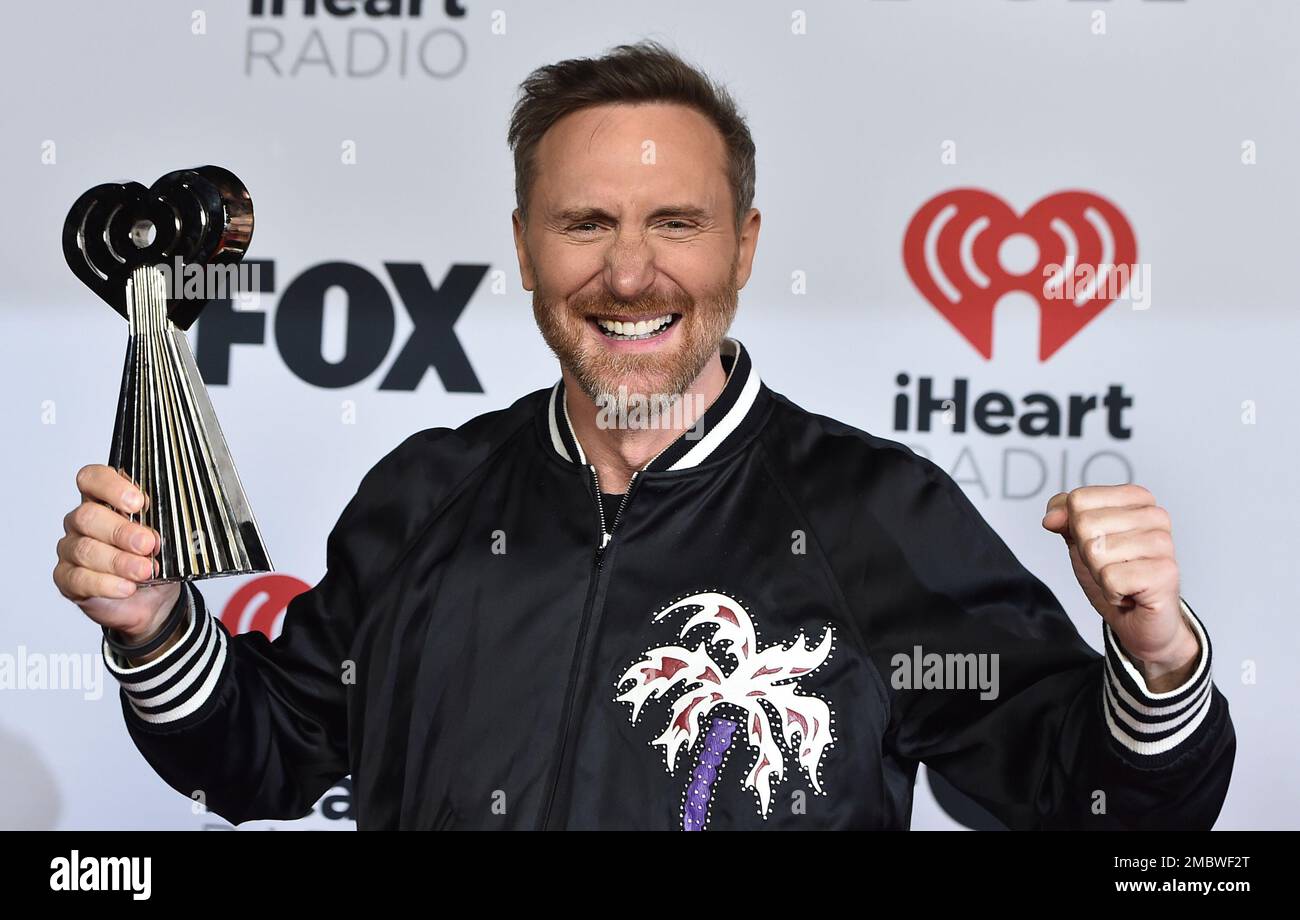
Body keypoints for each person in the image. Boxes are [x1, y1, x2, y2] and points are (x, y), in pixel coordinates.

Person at [53, 40, 1234, 831]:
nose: (629, 270)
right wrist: (156, 625)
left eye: (677, 221)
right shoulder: (426, 493)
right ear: (522, 246)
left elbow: (1104, 808)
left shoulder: (879, 511)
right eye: (584, 223)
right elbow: (266, 755)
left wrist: (1159, 659)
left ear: (745, 244)